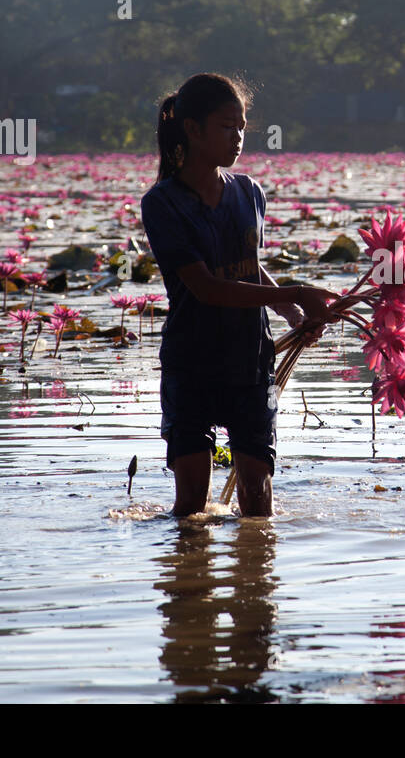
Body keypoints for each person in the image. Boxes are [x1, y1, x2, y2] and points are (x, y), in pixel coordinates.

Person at [140, 73, 338, 517]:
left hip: (250, 360)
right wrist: (301, 291)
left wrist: (291, 312)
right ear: (192, 129)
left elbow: (249, 269)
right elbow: (206, 287)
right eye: (227, 126)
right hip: (192, 364)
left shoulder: (250, 193)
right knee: (191, 506)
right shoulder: (163, 203)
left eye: (243, 126)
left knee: (257, 499)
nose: (239, 137)